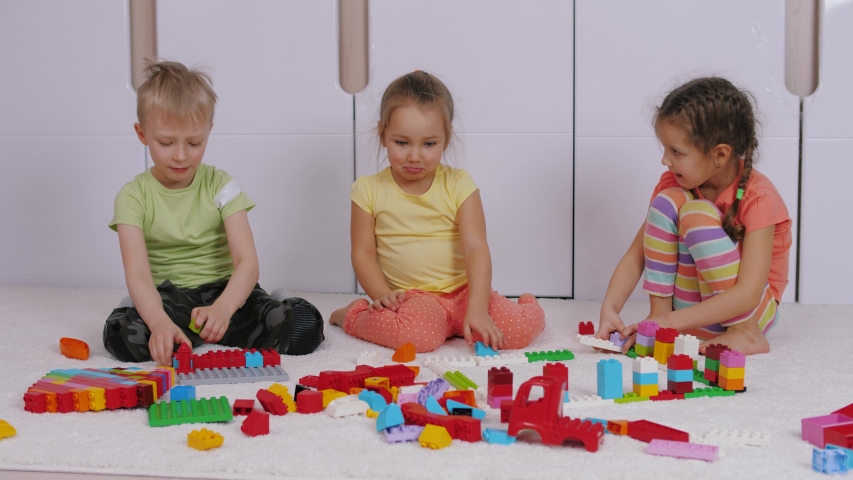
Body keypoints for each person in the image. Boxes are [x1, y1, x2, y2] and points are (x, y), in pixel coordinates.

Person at [102, 61, 324, 365]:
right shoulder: (132, 196)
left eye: (195, 142)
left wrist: (223, 309)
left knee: (304, 329)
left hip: (226, 294)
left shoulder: (221, 185)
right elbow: (138, 273)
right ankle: (139, 309)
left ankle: (275, 301)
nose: (181, 155)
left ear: (209, 131)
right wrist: (159, 323)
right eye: (166, 143)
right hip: (167, 300)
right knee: (122, 339)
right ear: (142, 134)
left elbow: (247, 262)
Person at [328, 71, 546, 352]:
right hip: (414, 299)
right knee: (418, 338)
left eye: (429, 144)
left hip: (467, 293)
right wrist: (383, 295)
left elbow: (476, 247)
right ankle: (352, 315)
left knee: (517, 332)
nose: (415, 156)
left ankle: (528, 304)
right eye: (402, 142)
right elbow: (363, 253)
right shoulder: (367, 190)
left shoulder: (459, 184)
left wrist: (478, 308)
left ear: (446, 138)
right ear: (382, 134)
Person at [597, 77, 791, 355]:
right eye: (665, 148)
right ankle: (659, 315)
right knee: (667, 202)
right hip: (695, 314)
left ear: (720, 155)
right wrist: (610, 308)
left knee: (696, 213)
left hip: (750, 313)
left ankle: (745, 334)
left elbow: (749, 293)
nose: (665, 160)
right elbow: (636, 256)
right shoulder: (673, 184)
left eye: (676, 151)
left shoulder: (759, 197)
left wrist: (670, 324)